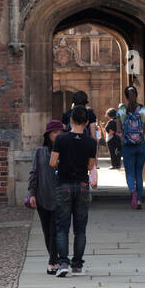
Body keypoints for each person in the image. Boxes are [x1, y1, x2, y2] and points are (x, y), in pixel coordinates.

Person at [49, 104, 98, 277]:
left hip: (63, 185)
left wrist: (64, 163)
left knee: (62, 228)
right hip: (82, 186)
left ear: (70, 120)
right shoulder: (91, 142)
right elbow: (90, 165)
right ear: (86, 123)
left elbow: (52, 162)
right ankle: (77, 265)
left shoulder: (61, 139)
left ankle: (63, 263)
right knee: (80, 229)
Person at [26, 119, 65, 274]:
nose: (58, 135)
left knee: (55, 230)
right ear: (48, 135)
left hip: (60, 197)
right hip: (42, 196)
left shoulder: (66, 151)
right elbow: (33, 174)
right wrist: (31, 193)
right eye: (55, 132)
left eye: (61, 132)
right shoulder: (40, 152)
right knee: (47, 231)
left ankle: (52, 262)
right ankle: (54, 260)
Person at [115, 84, 145, 209]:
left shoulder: (121, 110)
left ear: (126, 97)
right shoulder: (143, 109)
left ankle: (133, 191)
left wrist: (124, 138)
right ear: (136, 95)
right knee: (139, 172)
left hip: (127, 145)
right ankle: (139, 201)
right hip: (141, 144)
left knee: (129, 172)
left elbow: (118, 131)